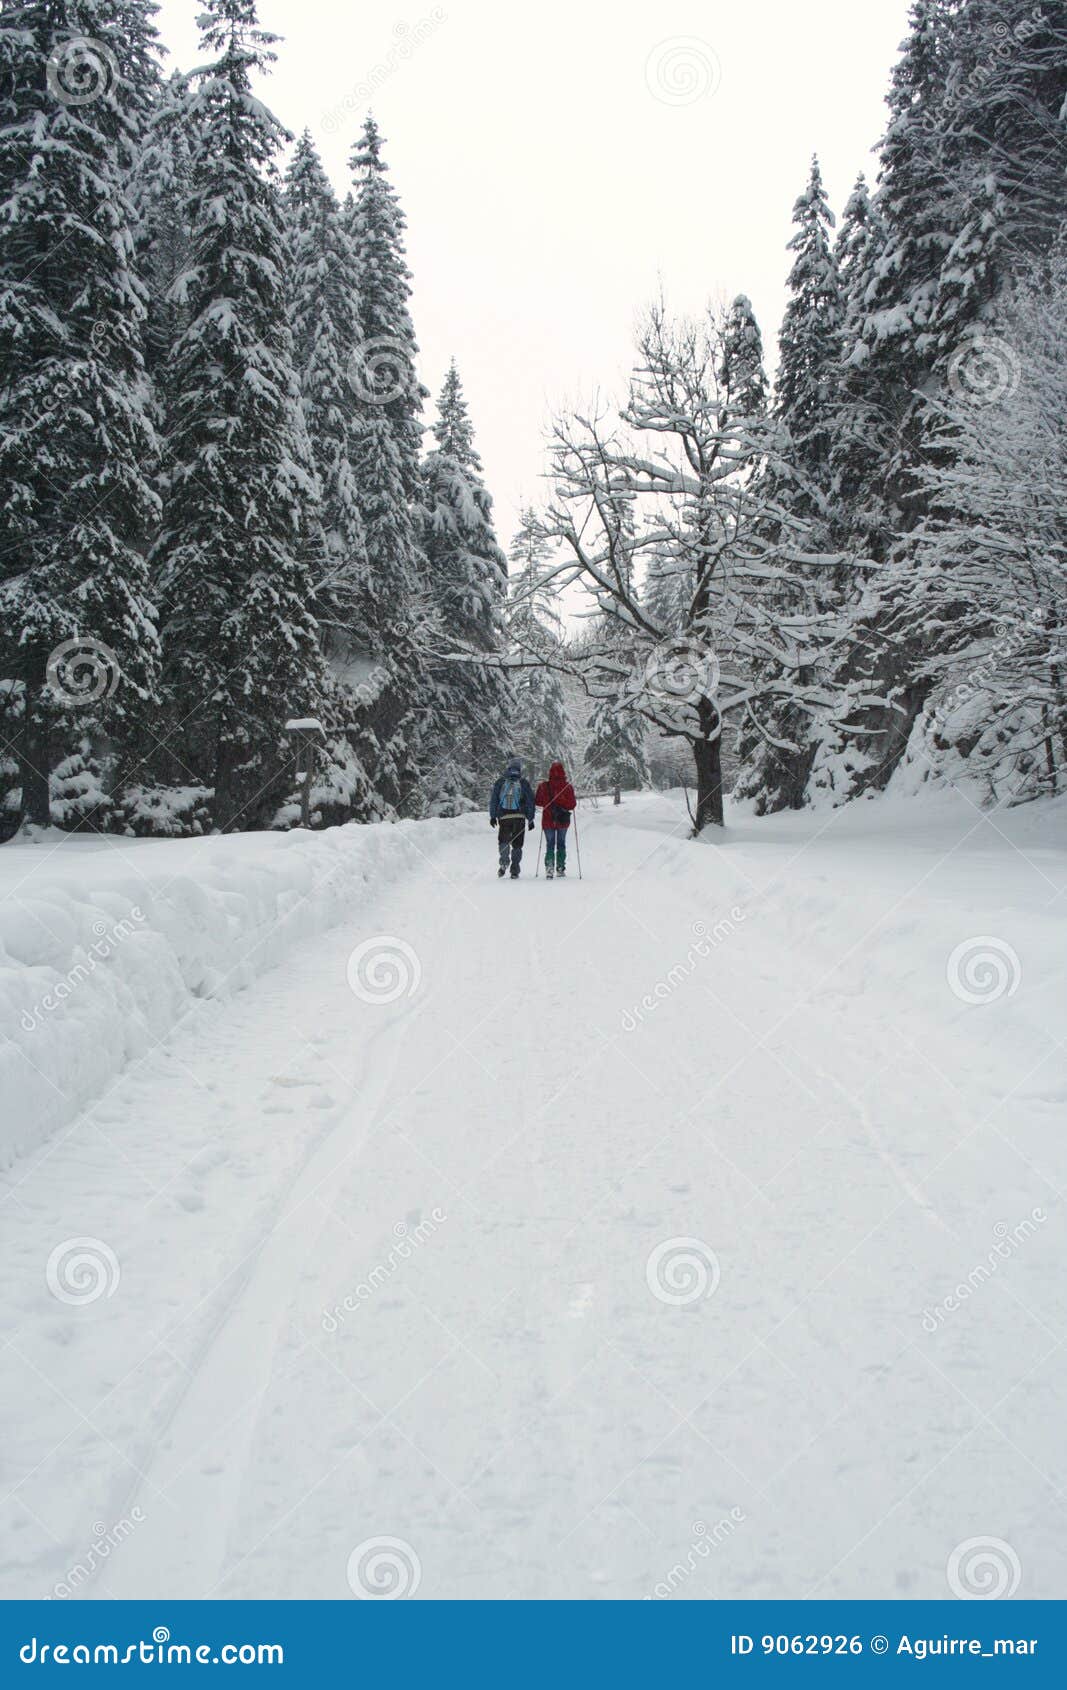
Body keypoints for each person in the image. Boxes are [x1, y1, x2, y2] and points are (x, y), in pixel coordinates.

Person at [489, 757, 535, 879]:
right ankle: (515, 869)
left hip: (504, 817)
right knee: (517, 845)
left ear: (508, 768)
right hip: (519, 818)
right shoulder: (524, 783)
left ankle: (504, 863)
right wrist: (530, 819)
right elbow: (530, 801)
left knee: (503, 841)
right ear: (519, 769)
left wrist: (493, 816)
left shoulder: (500, 782)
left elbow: (494, 800)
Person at [535, 760, 577, 879]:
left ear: (550, 772)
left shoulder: (543, 786)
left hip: (548, 820)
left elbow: (537, 801)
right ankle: (560, 867)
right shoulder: (568, 787)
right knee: (561, 844)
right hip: (563, 821)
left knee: (549, 844)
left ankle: (549, 868)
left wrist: (548, 803)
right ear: (563, 772)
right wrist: (562, 802)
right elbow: (572, 805)